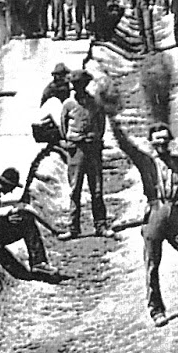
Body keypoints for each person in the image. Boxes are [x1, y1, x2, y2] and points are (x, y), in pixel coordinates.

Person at [107, 113, 178, 326]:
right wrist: (114, 124)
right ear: (151, 142)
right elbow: (128, 147)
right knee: (152, 264)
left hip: (174, 213)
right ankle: (156, 310)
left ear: (169, 140)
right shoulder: (146, 162)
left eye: (165, 139)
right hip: (154, 212)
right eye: (157, 139)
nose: (161, 143)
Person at [60, 71, 113, 240]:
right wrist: (70, 142)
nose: (78, 88)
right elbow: (63, 126)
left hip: (93, 148)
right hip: (76, 149)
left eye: (81, 85)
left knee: (96, 189)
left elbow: (101, 124)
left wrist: (96, 139)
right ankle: (73, 228)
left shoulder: (95, 103)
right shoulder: (68, 104)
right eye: (75, 85)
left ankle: (101, 225)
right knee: (75, 189)